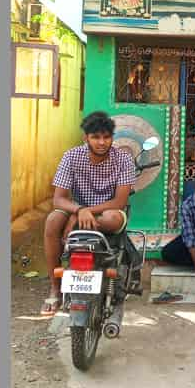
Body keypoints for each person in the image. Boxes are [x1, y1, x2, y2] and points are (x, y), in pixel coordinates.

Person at [41, 111, 136, 315]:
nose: (101, 142)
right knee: (52, 220)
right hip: (77, 208)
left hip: (108, 213)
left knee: (112, 217)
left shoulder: (124, 159)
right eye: (95, 137)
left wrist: (82, 214)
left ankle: (78, 225)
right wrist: (78, 210)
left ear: (112, 137)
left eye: (106, 137)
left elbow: (120, 201)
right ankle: (55, 289)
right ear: (86, 138)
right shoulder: (71, 156)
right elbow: (58, 199)